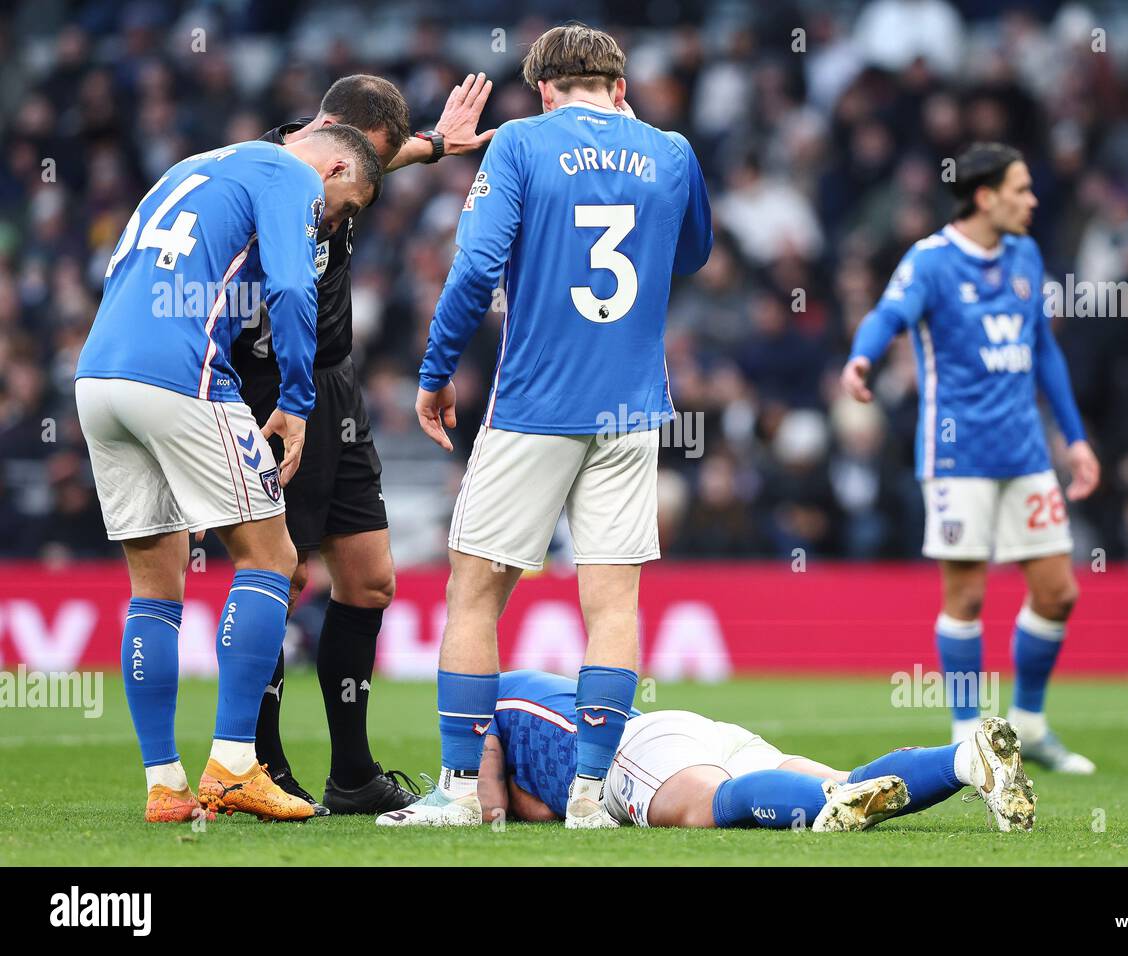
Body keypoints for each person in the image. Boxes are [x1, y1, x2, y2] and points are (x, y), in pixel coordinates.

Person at [385, 23, 712, 829]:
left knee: (474, 597)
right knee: (613, 604)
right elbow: (695, 253)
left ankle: (463, 793)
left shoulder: (524, 143)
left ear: (542, 89)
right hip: (632, 409)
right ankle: (593, 799)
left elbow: (472, 272)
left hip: (535, 404)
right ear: (620, 88)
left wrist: (434, 375)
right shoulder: (671, 151)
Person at [74, 127, 381, 822]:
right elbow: (296, 289)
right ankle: (236, 764)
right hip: (183, 375)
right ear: (332, 165)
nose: (333, 221)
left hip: (98, 377)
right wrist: (297, 402)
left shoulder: (192, 164)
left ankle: (164, 783)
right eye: (345, 204)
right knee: (271, 555)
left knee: (154, 585)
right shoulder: (291, 176)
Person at [235, 73, 496, 816]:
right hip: (271, 390)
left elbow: (388, 154)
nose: (373, 188)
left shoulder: (350, 158)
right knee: (279, 580)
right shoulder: (257, 169)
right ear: (336, 144)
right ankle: (259, 767)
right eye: (371, 168)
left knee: (371, 580)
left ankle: (351, 773)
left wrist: (441, 144)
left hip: (335, 386)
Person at [841, 142, 1101, 774]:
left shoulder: (1025, 255)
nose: (1032, 201)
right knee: (966, 596)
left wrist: (1075, 438)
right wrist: (862, 358)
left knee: (1058, 591)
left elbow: (1044, 352)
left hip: (1026, 453)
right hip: (957, 456)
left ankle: (1030, 725)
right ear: (985, 196)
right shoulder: (930, 261)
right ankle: (969, 742)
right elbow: (887, 314)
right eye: (1021, 189)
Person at [377, 670, 1037, 834]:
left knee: (710, 808)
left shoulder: (482, 713)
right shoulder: (529, 691)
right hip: (681, 727)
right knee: (844, 775)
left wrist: (480, 798)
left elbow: (495, 810)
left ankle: (832, 806)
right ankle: (964, 760)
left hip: (635, 753)